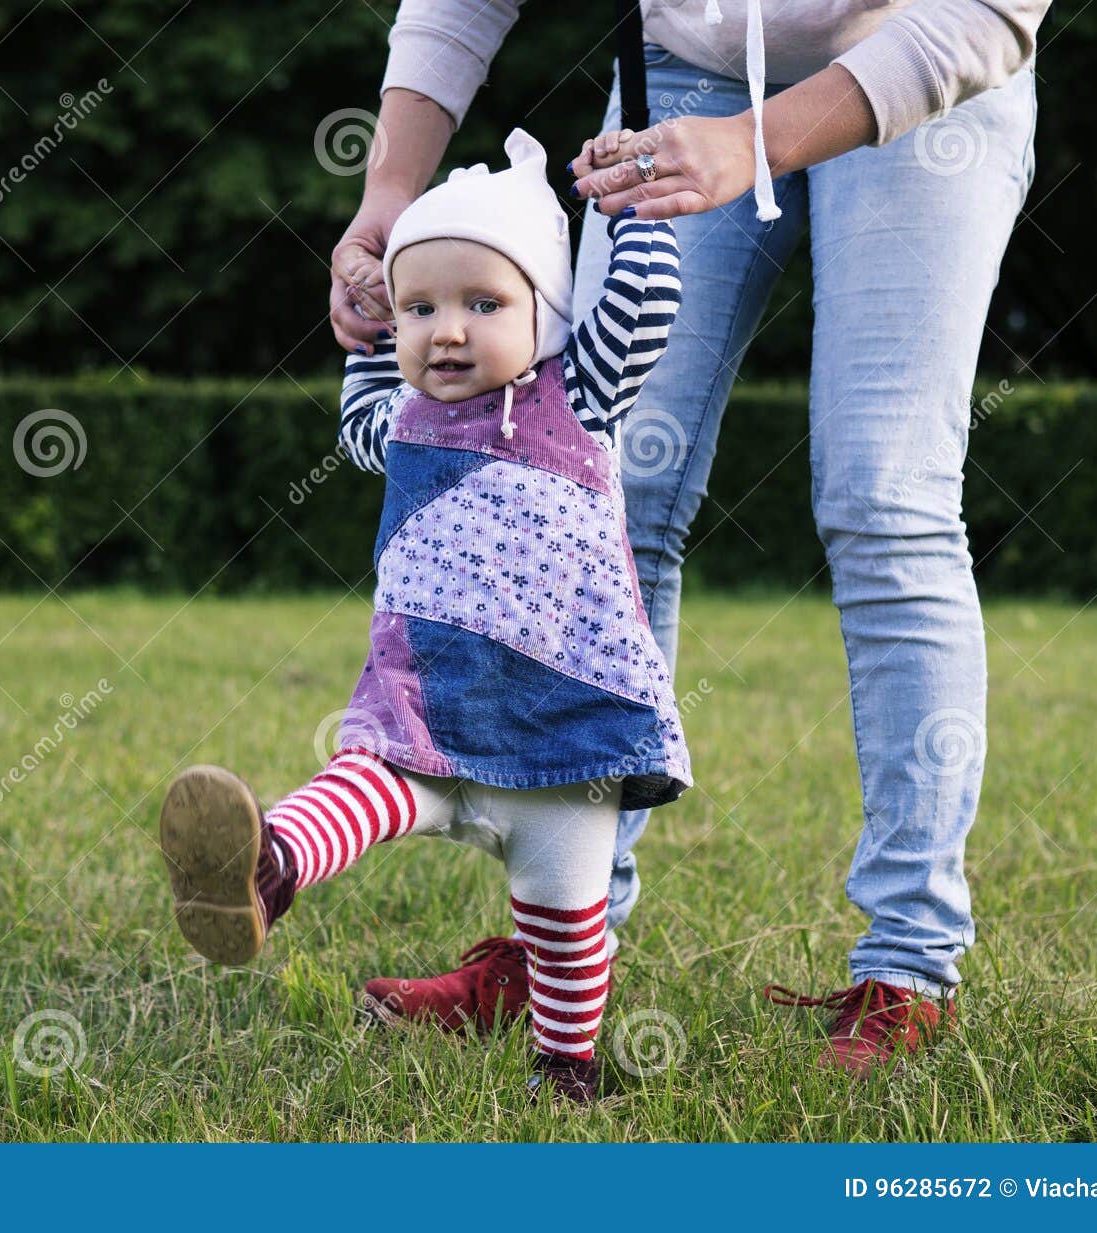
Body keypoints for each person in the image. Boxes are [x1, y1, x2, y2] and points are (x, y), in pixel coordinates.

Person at [333, 0, 1048, 1079]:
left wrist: (755, 143)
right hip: (680, 79)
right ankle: (565, 937)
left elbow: (988, 10)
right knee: (603, 489)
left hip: (918, 76)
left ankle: (907, 964)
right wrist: (390, 193)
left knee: (884, 502)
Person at [160, 127, 690, 1102]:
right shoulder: (397, 418)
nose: (446, 330)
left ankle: (565, 1068)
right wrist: (365, 314)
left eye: (482, 305)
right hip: (428, 707)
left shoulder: (580, 392)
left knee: (565, 910)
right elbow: (365, 371)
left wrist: (630, 210)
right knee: (359, 779)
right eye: (420, 308)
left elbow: (646, 304)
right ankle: (264, 868)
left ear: (549, 313)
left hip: (567, 722)